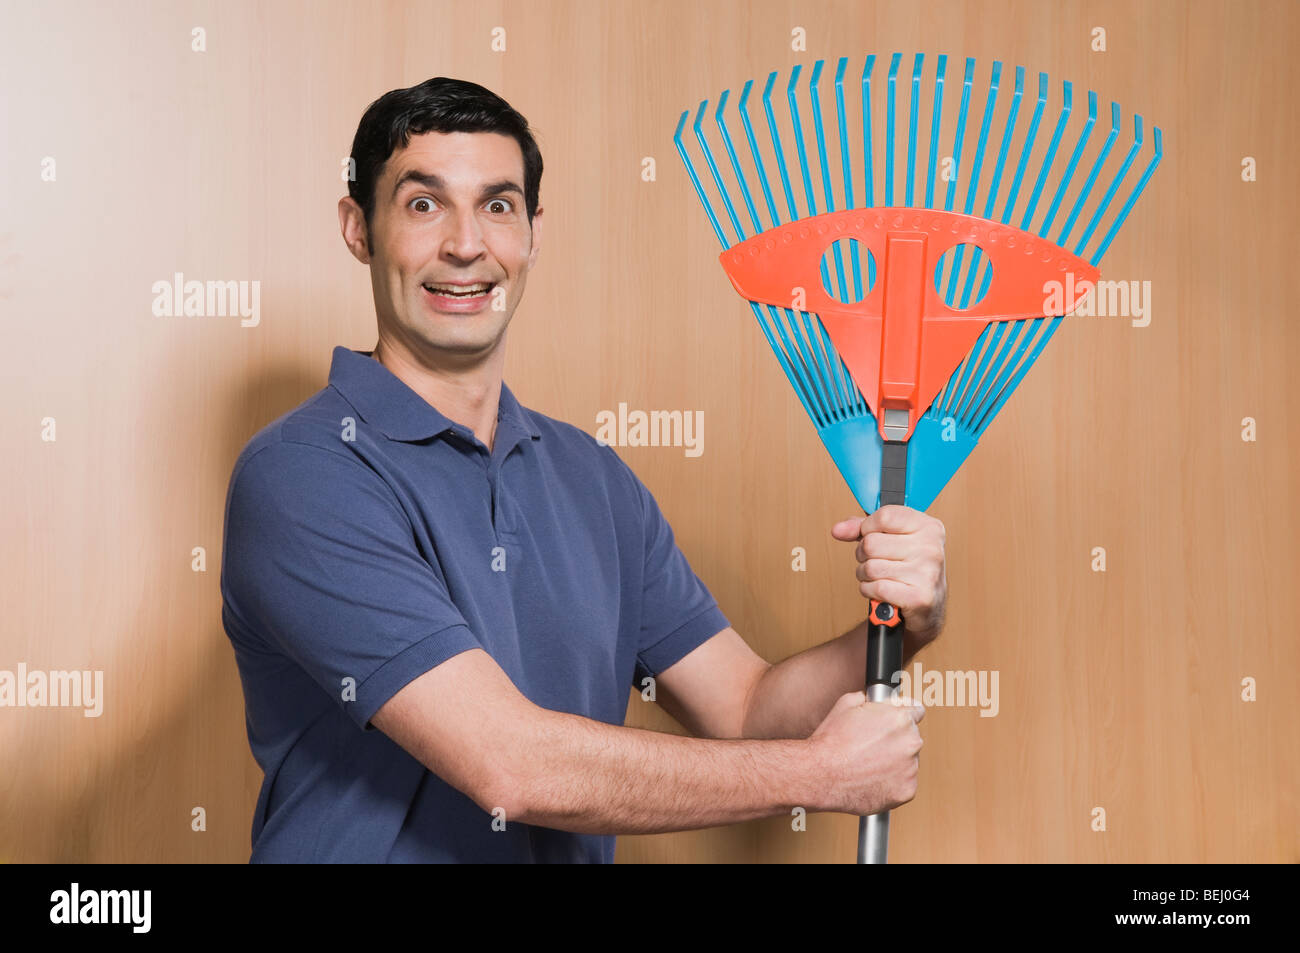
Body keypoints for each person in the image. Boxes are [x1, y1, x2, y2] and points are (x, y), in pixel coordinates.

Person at [219, 77, 948, 863]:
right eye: (424, 204)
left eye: (498, 206)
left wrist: (905, 625)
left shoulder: (594, 480)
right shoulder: (305, 473)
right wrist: (819, 774)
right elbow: (509, 763)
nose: (467, 244)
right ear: (359, 229)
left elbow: (745, 707)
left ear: (533, 232)